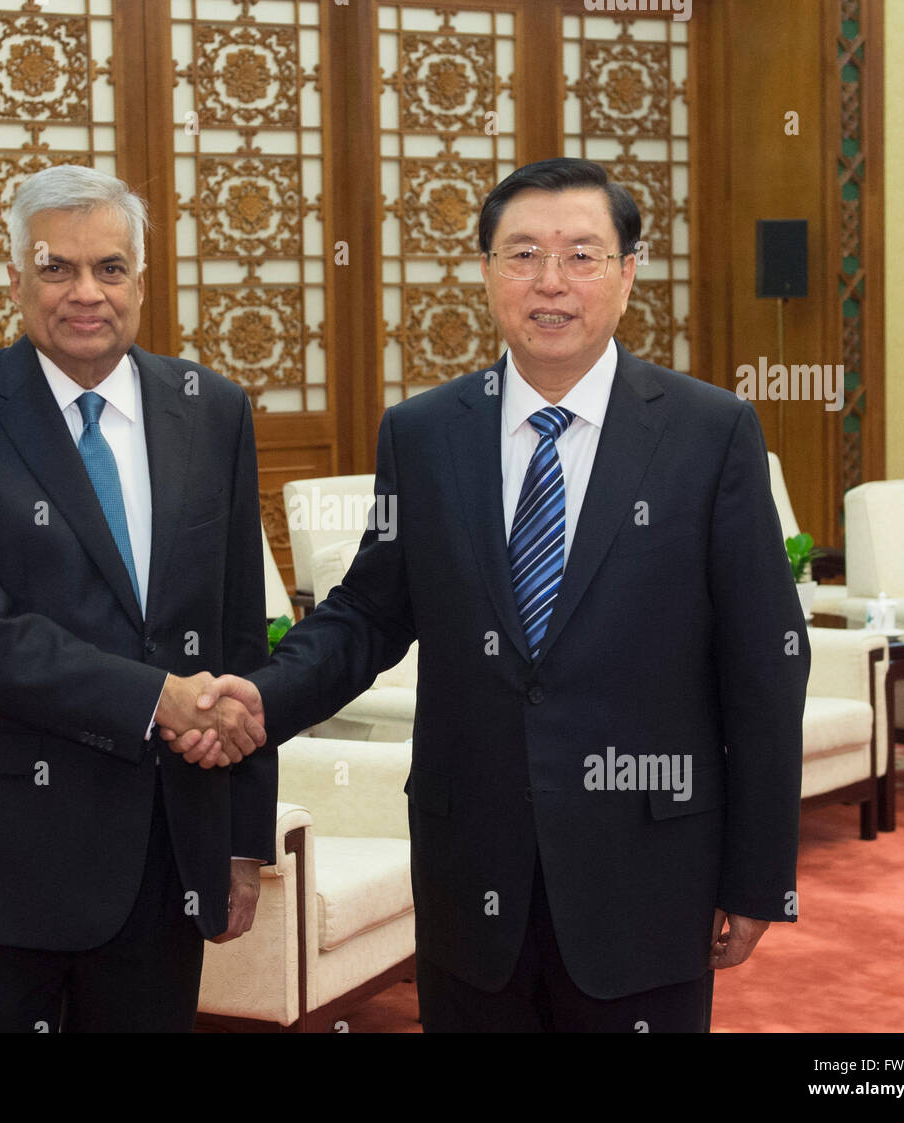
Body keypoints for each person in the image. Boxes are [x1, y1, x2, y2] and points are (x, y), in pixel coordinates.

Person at [166, 158, 808, 1032]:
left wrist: (758, 870)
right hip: (473, 868)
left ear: (627, 274)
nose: (551, 281)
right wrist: (258, 698)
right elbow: (368, 613)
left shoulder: (711, 433)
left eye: (583, 254)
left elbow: (767, 666)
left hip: (649, 869)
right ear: (485, 272)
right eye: (522, 255)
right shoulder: (426, 434)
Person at [0, 164, 274, 1032]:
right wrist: (152, 697)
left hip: (161, 850)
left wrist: (243, 839)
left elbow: (238, 632)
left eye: (109, 267)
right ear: (15, 280)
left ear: (141, 277)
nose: (85, 293)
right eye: (56, 268)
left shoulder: (211, 409)